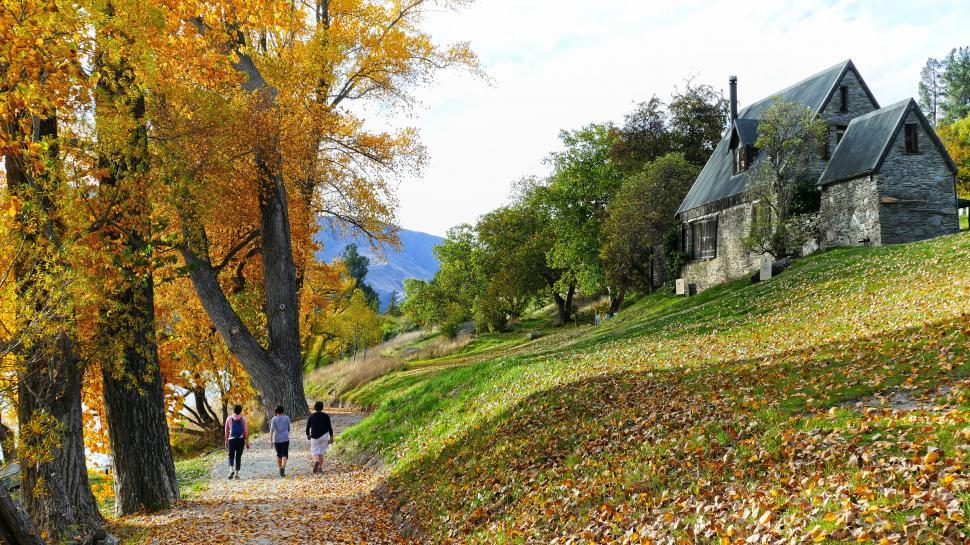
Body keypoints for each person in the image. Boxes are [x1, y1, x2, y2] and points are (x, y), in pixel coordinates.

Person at [305, 401, 333, 474]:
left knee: (314, 452)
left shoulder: (311, 416)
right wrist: (331, 437)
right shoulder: (326, 416)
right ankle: (320, 468)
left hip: (314, 436)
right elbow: (330, 427)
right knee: (321, 453)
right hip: (324, 436)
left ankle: (316, 462)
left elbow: (307, 427)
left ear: (315, 407)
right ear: (322, 407)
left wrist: (308, 434)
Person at [224, 404, 250, 479]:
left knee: (230, 455)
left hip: (231, 439)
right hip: (240, 439)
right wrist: (247, 442)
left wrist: (226, 441)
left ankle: (231, 469)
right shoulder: (243, 419)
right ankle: (237, 474)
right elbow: (245, 432)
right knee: (238, 456)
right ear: (240, 411)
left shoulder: (229, 418)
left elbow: (226, 431)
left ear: (233, 410)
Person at [269, 405, 291, 478]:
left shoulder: (273, 419)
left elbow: (271, 430)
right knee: (284, 453)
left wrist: (271, 440)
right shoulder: (286, 418)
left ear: (276, 412)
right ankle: (283, 466)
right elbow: (288, 428)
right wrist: (287, 433)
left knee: (279, 454)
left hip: (276, 438)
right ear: (283, 411)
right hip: (285, 438)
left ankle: (280, 469)